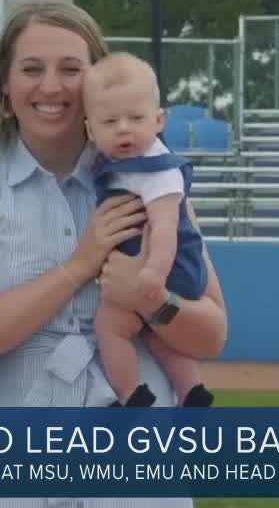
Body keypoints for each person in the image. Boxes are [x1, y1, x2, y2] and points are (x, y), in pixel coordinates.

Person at [0, 0, 229, 508]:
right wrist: (79, 265)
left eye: (71, 69)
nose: (51, 86)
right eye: (31, 69)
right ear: (5, 89)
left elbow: (211, 333)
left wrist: (148, 300)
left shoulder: (154, 177)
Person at [83, 52, 215, 409]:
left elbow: (166, 225)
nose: (123, 128)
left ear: (159, 120)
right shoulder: (120, 164)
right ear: (90, 130)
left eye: (135, 118)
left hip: (166, 271)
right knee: (160, 339)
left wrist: (154, 275)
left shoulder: (158, 170)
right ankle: (192, 391)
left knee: (110, 328)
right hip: (151, 272)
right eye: (110, 121)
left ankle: (130, 394)